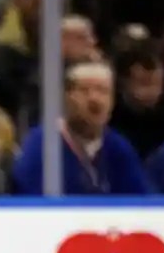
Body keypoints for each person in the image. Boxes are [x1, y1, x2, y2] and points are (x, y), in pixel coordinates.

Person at [12, 61, 150, 195]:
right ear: (66, 97)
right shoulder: (42, 144)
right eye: (85, 90)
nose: (95, 99)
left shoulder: (119, 148)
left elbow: (143, 203)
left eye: (103, 91)